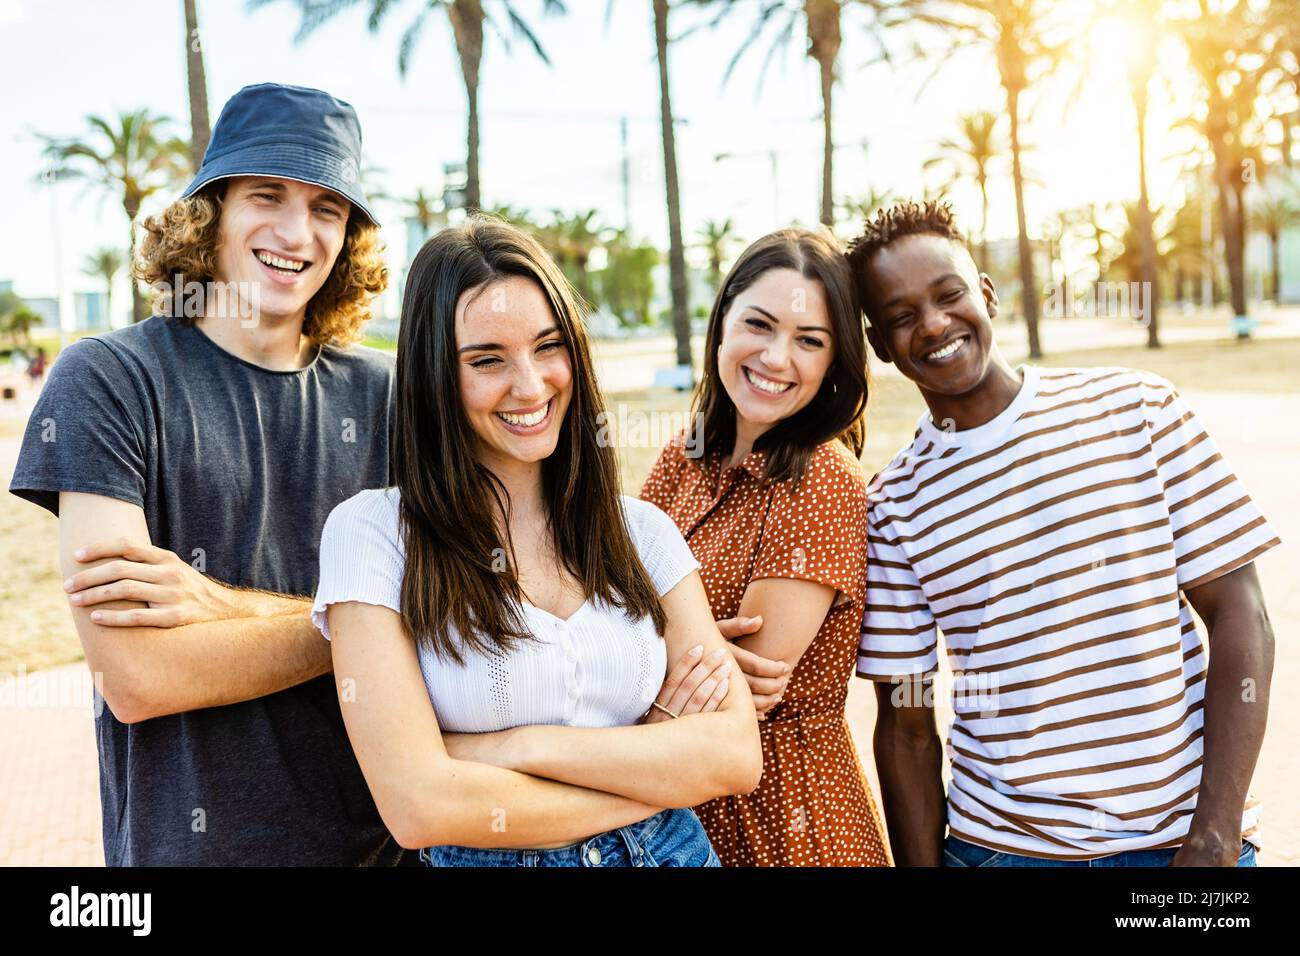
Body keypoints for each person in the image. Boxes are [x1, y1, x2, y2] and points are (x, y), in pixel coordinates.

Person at [8, 83, 402, 865]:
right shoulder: (110, 379)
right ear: (210, 209)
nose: (298, 230)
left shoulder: (391, 396)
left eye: (328, 208)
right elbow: (141, 676)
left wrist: (220, 606)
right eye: (268, 195)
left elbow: (466, 609)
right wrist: (374, 624)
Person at [311, 217, 763, 867]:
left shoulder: (641, 532)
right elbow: (419, 807)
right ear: (435, 376)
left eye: (548, 347)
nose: (529, 385)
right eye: (487, 359)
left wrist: (518, 747)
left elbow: (733, 755)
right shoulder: (374, 535)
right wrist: (656, 772)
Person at [849, 200, 1279, 867]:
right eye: (901, 317)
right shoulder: (892, 504)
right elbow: (906, 725)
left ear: (985, 295)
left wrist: (1216, 833)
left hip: (1184, 846)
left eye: (949, 294)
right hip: (1005, 851)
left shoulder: (1137, 407)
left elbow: (1241, 613)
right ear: (880, 345)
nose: (933, 324)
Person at [640, 228, 891, 867]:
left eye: (809, 341)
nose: (777, 358)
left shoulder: (823, 483)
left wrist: (632, 649)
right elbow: (610, 600)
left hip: (786, 819)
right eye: (760, 324)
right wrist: (672, 653)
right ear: (722, 321)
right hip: (666, 804)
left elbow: (732, 694)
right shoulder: (685, 453)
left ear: (835, 363)